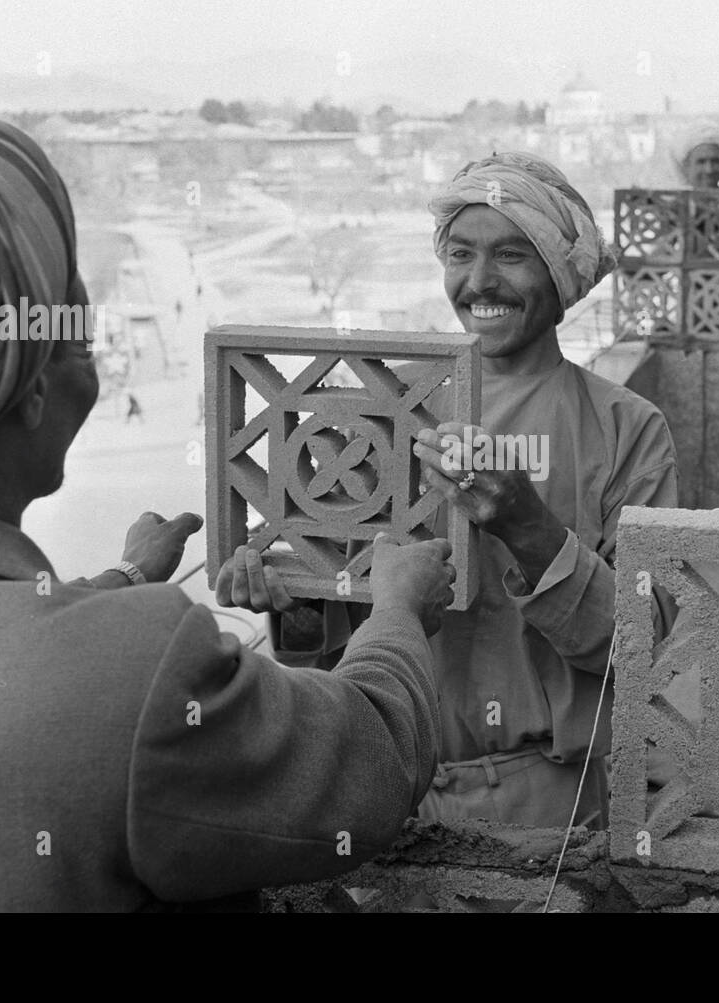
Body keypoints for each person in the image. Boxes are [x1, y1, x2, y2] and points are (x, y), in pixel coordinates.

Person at [0, 108, 454, 911]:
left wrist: (120, 579)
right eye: (74, 330)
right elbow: (368, 760)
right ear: (31, 392)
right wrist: (399, 608)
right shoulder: (137, 667)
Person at [218, 151, 680, 829]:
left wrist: (529, 527)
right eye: (460, 254)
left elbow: (647, 641)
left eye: (513, 255)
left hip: (552, 810)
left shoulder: (626, 428)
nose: (480, 281)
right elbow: (346, 616)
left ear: (560, 271)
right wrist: (298, 608)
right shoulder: (383, 411)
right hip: (391, 791)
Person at [671, 123, 719, 190]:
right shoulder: (669, 199)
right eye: (701, 162)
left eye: (715, 161)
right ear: (686, 166)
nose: (709, 170)